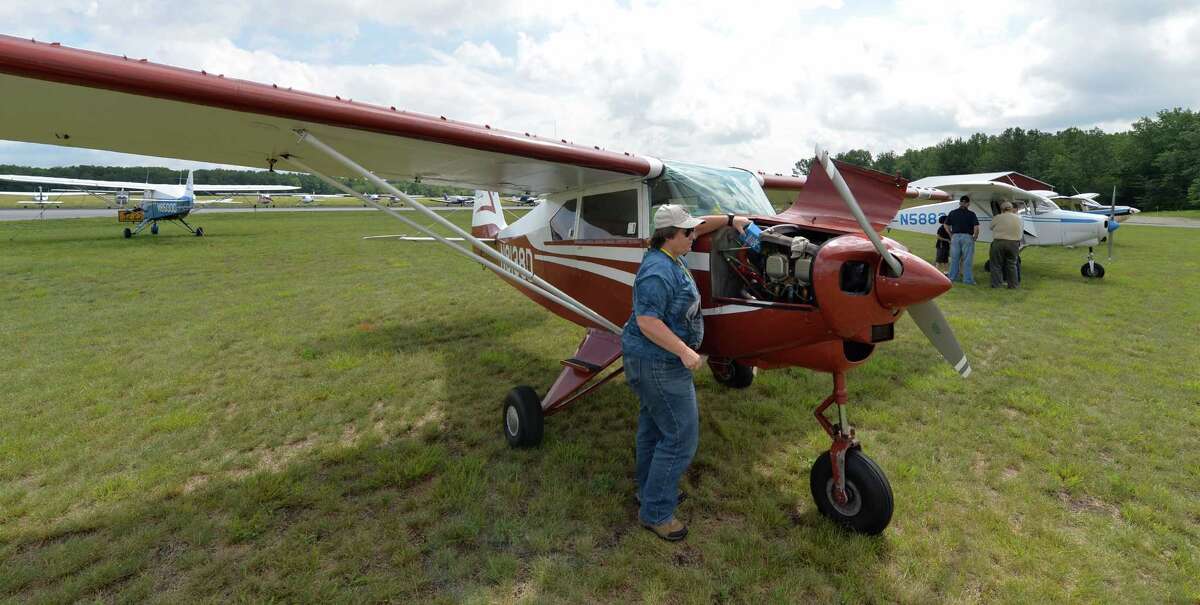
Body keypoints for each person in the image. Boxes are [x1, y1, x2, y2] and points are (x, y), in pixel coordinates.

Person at [622, 204, 749, 541]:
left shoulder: (669, 256)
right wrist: (686, 352)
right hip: (659, 363)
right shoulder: (657, 272)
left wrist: (734, 221)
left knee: (653, 428)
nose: (696, 236)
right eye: (689, 232)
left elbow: (703, 226)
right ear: (670, 236)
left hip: (655, 361)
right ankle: (656, 513)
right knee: (680, 438)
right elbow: (648, 321)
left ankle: (648, 491)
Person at [945, 195, 980, 285]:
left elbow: (946, 225)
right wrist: (975, 236)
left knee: (954, 259)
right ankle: (967, 280)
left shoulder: (953, 213)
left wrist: (950, 234)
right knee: (967, 260)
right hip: (967, 237)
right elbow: (976, 227)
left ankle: (952, 277)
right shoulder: (971, 214)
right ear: (968, 204)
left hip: (955, 237)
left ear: (960, 203)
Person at [989, 201, 1022, 288]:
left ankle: (997, 284)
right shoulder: (1018, 218)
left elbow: (991, 227)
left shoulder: (998, 217)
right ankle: (1013, 285)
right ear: (1011, 209)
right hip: (1014, 243)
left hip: (999, 242)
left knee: (996, 264)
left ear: (1001, 209)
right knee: (1012, 264)